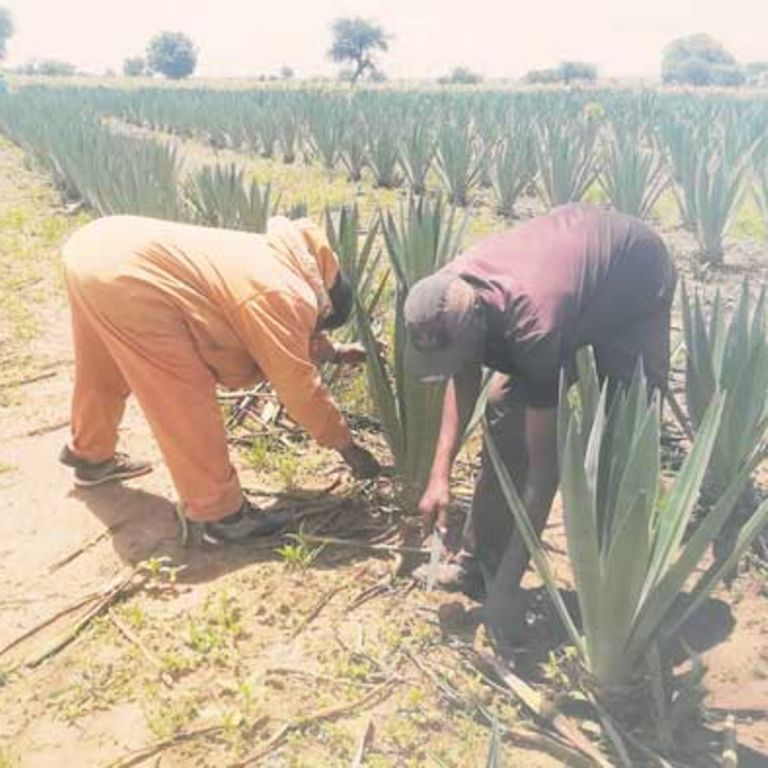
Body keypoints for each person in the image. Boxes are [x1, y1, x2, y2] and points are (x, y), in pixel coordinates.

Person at [404, 203, 677, 645]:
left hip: (635, 283)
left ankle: (615, 589)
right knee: (502, 405)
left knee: (624, 433)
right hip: (573, 281)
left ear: (480, 326)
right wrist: (439, 475)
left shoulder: (534, 324)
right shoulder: (445, 293)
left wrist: (511, 590)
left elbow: (543, 472)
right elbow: (464, 370)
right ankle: (480, 560)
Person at [60, 214, 380, 543]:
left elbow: (289, 326)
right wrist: (346, 446)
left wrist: (334, 351)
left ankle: (90, 456)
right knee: (183, 396)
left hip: (95, 249)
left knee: (101, 366)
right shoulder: (283, 294)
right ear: (322, 304)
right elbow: (299, 387)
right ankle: (221, 514)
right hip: (128, 281)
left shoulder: (282, 263)